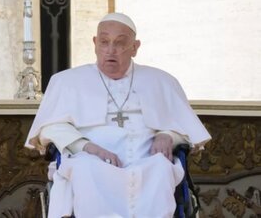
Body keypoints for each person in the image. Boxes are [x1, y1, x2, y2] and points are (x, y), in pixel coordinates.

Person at [25, 12, 211, 218]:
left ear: (135, 47)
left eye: (120, 43)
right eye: (104, 42)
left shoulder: (162, 81)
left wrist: (168, 135)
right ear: (95, 43)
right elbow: (49, 128)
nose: (110, 50)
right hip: (90, 160)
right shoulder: (66, 81)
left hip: (147, 161)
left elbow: (187, 129)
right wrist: (87, 147)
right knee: (84, 168)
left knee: (161, 167)